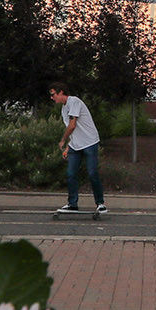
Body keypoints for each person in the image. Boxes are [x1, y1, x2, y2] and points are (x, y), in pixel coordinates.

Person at [49, 84, 105, 214]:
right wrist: (69, 147)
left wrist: (63, 140)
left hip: (90, 142)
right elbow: (74, 131)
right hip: (75, 145)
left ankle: (100, 203)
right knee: (71, 174)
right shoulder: (63, 109)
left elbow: (72, 126)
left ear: (61, 92)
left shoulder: (74, 101)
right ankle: (72, 203)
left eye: (53, 94)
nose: (52, 98)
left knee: (92, 173)